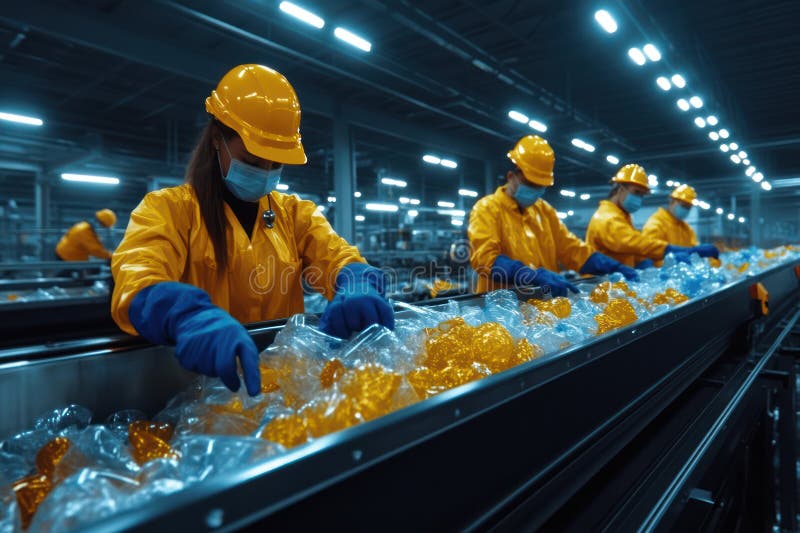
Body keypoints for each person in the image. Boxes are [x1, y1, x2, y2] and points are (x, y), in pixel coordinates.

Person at [111, 64, 394, 397]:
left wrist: (357, 281)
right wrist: (185, 315)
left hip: (284, 390)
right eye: (254, 160)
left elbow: (335, 256)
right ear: (218, 140)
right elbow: (138, 278)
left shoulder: (294, 213)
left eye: (275, 164)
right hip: (200, 391)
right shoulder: (168, 210)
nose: (266, 173)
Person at [468, 135, 637, 297]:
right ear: (511, 176)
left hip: (544, 306)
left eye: (540, 186)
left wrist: (609, 265)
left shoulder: (544, 211)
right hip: (501, 309)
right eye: (530, 183)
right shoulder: (487, 208)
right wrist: (528, 274)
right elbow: (484, 259)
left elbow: (571, 249)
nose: (535, 191)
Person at [585, 164, 716, 268]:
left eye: (642, 195)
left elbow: (633, 250)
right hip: (599, 286)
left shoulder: (624, 216)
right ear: (620, 189)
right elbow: (635, 243)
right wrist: (674, 252)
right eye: (636, 192)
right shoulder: (606, 217)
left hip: (616, 283)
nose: (638, 198)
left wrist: (642, 262)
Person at [642, 184, 718, 265]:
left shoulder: (687, 229)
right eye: (683, 205)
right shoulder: (655, 224)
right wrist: (673, 262)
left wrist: (712, 263)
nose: (685, 210)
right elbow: (648, 259)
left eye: (688, 207)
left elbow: (696, 253)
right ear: (672, 201)